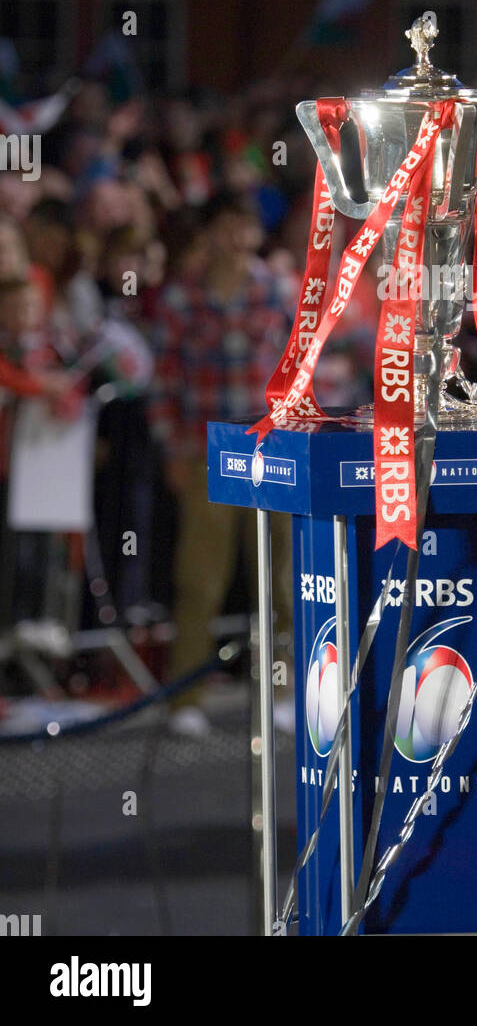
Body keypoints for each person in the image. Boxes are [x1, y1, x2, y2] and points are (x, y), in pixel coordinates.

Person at [148, 192, 294, 736]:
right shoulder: (182, 298)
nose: (238, 237)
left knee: (281, 580)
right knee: (200, 582)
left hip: (272, 450)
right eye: (228, 226)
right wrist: (174, 448)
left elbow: (298, 366)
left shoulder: (276, 289)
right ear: (209, 233)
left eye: (246, 227)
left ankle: (282, 689)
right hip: (208, 451)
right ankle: (185, 699)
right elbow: (163, 380)